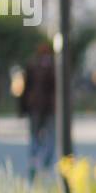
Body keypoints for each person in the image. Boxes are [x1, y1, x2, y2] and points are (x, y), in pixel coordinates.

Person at [19, 40, 57, 178]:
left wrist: (23, 107)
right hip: (43, 106)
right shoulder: (51, 65)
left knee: (38, 136)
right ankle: (40, 161)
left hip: (38, 106)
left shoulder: (34, 64)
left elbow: (25, 88)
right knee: (46, 136)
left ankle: (36, 160)